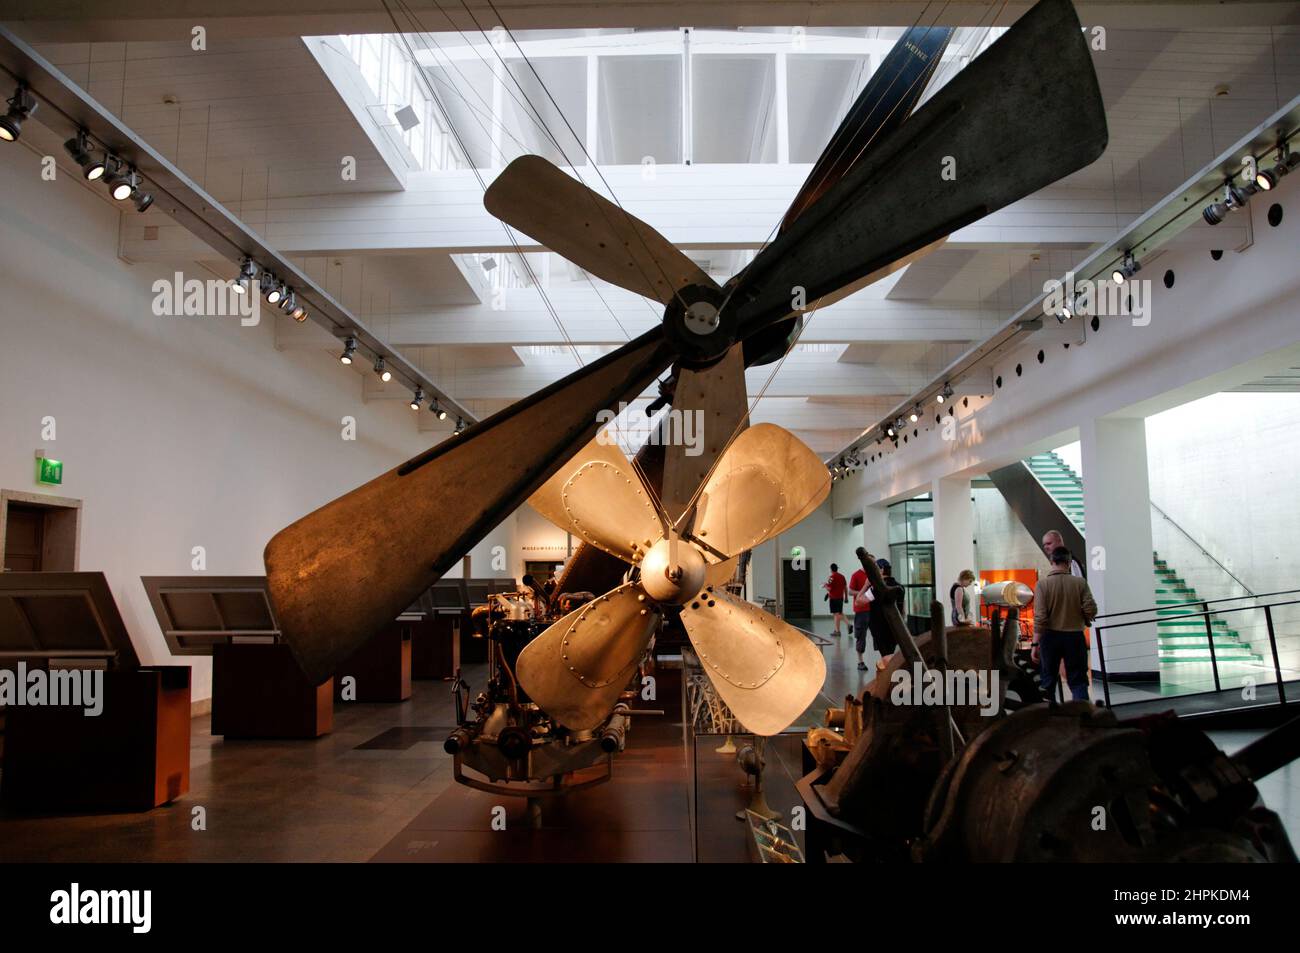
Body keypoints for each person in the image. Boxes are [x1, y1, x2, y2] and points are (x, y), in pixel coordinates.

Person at [1032, 545, 1098, 703]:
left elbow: (1040, 618)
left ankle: (1051, 721)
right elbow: (1091, 609)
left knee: (1048, 682)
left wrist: (1035, 644)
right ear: (1069, 563)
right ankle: (1082, 718)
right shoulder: (1080, 583)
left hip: (1050, 638)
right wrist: (1085, 619)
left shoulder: (1042, 585)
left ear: (1051, 561)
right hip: (1074, 637)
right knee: (1078, 681)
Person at [868, 558, 906, 661]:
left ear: (881, 570)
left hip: (880, 626)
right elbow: (903, 608)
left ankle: (889, 674)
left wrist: (865, 585)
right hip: (895, 626)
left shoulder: (876, 588)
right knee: (889, 652)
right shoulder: (900, 587)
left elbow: (859, 600)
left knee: (885, 655)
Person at [848, 562, 873, 670]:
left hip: (874, 610)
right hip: (862, 610)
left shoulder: (874, 575)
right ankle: (860, 661)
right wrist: (863, 592)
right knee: (861, 635)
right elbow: (850, 591)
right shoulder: (856, 575)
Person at [823, 563, 848, 636]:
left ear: (831, 569)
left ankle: (842, 628)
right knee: (839, 613)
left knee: (836, 614)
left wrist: (825, 586)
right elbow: (845, 587)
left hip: (834, 598)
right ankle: (841, 628)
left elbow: (829, 588)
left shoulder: (831, 577)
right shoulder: (842, 576)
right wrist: (846, 597)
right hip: (840, 598)